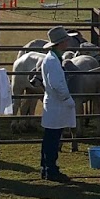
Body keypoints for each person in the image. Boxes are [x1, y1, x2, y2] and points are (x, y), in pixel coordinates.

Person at [39, 26, 83, 182]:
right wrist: (68, 99)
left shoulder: (53, 58)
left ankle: (47, 167)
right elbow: (57, 84)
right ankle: (50, 169)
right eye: (66, 39)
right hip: (56, 104)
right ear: (61, 42)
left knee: (51, 138)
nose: (68, 41)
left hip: (54, 104)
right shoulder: (52, 60)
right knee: (52, 138)